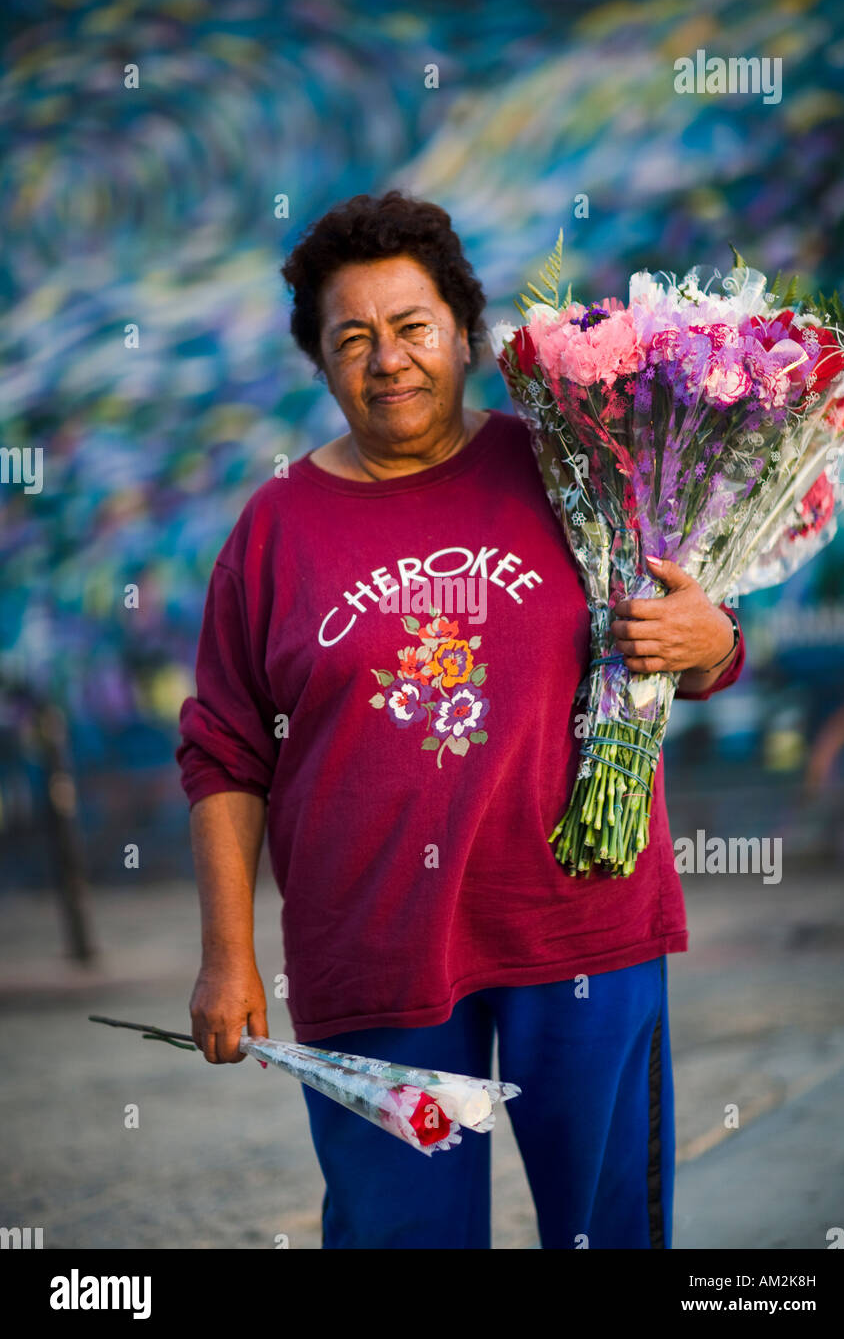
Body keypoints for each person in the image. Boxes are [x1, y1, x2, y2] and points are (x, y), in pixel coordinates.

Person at [175, 190, 745, 1250]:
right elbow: (222, 750)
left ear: (463, 334)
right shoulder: (274, 529)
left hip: (578, 925)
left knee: (607, 1227)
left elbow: (686, 633)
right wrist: (226, 955)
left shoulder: (571, 467)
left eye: (410, 327)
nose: (385, 359)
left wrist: (711, 640)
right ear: (321, 362)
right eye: (352, 338)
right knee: (399, 1238)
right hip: (372, 957)